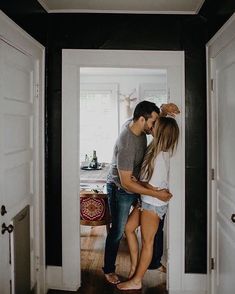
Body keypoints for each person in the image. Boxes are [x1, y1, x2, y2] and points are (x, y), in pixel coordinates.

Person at [103, 101, 179, 284]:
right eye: (154, 123)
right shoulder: (127, 142)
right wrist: (156, 194)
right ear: (143, 120)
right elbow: (127, 183)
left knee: (149, 233)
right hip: (122, 188)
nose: (155, 126)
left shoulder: (138, 123)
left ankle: (144, 267)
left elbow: (157, 124)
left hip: (142, 190)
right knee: (120, 230)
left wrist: (162, 112)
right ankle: (108, 269)